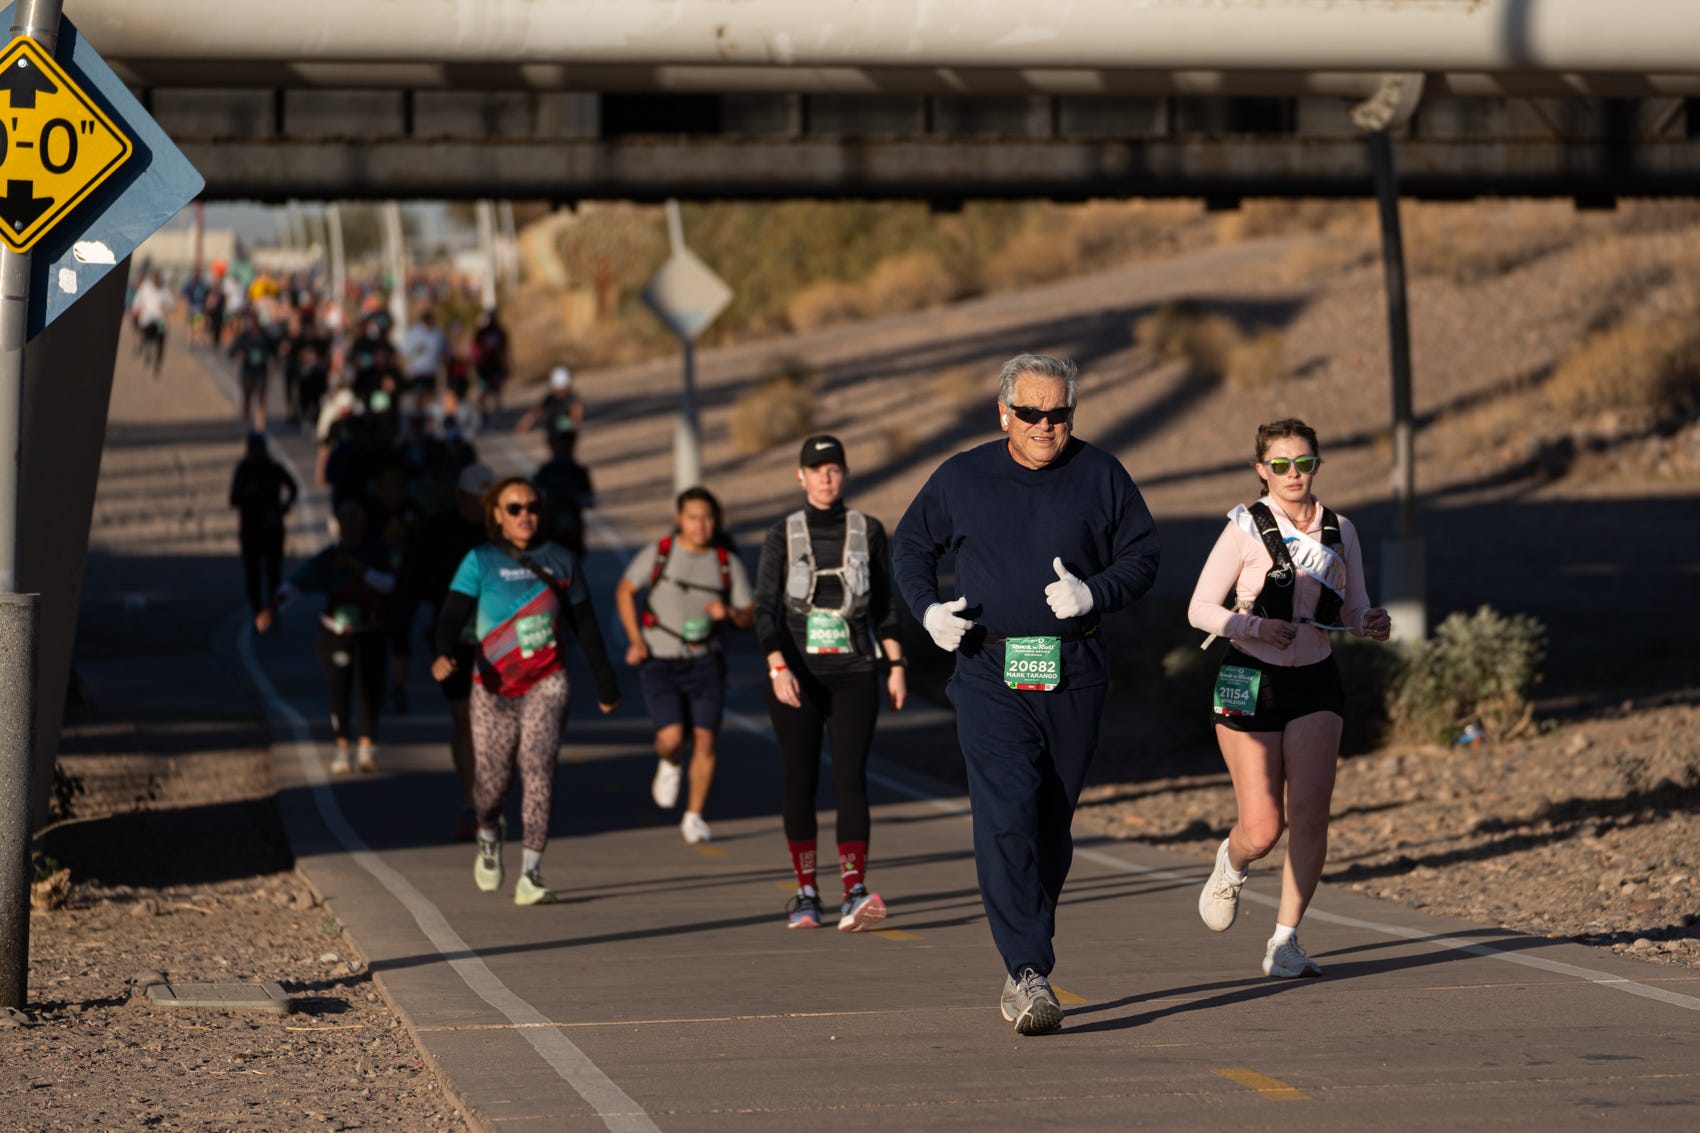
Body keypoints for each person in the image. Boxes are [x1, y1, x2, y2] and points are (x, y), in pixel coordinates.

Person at [892, 353, 1160, 1036]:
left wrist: (1093, 592)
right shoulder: (963, 475)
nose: (1046, 426)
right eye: (1032, 413)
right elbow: (911, 547)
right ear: (1004, 411)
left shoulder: (1100, 474)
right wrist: (927, 612)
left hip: (1074, 670)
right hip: (989, 669)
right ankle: (1027, 970)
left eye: (1059, 413)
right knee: (1006, 813)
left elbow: (1143, 555)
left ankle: (1026, 949)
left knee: (1049, 826)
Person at [1186, 417, 1392, 979]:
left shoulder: (1341, 531)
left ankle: (1285, 941)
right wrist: (1251, 629)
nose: (1292, 473)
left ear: (1317, 465)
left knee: (1311, 817)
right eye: (1280, 464)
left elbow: (1353, 608)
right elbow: (1200, 608)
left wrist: (1370, 621)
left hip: (1316, 677)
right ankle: (1232, 862)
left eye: (1303, 462)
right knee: (1263, 827)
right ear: (1262, 470)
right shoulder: (1244, 528)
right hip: (1250, 675)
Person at [431, 477, 621, 905]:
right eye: (514, 508)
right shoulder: (480, 560)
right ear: (496, 514)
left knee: (538, 769)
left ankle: (531, 874)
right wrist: (443, 653)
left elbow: (586, 626)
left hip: (547, 682)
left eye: (532, 507)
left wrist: (607, 682)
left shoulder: (561, 560)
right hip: (493, 687)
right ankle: (488, 831)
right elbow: (449, 617)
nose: (525, 516)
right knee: (491, 786)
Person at [754, 436, 906, 933]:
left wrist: (896, 663)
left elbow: (884, 605)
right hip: (796, 679)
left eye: (834, 469)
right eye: (816, 469)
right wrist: (777, 666)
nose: (826, 477)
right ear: (801, 476)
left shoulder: (869, 530)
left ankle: (853, 890)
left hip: (854, 674)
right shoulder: (782, 534)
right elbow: (764, 610)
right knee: (800, 782)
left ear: (845, 474)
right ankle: (805, 893)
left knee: (850, 780)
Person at [614, 487, 754, 844]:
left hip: (706, 661)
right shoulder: (661, 553)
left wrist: (731, 613)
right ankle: (670, 762)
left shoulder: (726, 562)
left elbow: (748, 615)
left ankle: (694, 816)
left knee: (706, 740)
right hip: (660, 661)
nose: (700, 525)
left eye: (707, 518)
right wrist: (636, 639)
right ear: (679, 519)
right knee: (672, 737)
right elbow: (625, 590)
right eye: (692, 517)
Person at [255, 500, 396, 775]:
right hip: (335, 633)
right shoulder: (327, 559)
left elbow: (388, 584)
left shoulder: (375, 553)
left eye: (354, 523)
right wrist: (271, 608)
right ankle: (342, 749)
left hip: (370, 632)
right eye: (345, 524)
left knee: (369, 691)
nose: (350, 530)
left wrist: (358, 568)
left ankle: (366, 749)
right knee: (338, 690)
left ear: (362, 526)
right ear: (337, 527)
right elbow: (295, 583)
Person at [411, 462, 497, 839]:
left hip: (500, 641)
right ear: (461, 497)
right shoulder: (438, 529)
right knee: (463, 719)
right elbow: (416, 578)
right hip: (455, 639)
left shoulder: (506, 530)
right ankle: (470, 804)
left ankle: (491, 798)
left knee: (495, 722)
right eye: (478, 499)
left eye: (489, 499)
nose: (484, 506)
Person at [229, 433, 299, 620]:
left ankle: (268, 613)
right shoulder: (247, 470)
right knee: (257, 575)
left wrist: (285, 505)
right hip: (255, 529)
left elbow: (293, 488)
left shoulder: (264, 469)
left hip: (267, 529)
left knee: (271, 575)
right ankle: (259, 613)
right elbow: (234, 499)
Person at [514, 366, 584, 464]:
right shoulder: (550, 398)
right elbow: (537, 411)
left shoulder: (571, 398)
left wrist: (575, 424)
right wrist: (526, 422)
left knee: (566, 457)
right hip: (553, 434)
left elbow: (576, 411)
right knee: (557, 457)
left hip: (567, 435)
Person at [228, 312, 275, 433]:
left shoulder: (265, 336)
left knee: (261, 398)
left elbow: (273, 350)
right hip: (247, 372)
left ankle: (260, 426)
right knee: (247, 399)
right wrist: (239, 356)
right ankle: (247, 423)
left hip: (261, 372)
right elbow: (232, 351)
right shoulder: (243, 336)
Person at [130, 271, 174, 376]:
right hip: (147, 319)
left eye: (157, 278)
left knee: (160, 343)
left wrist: (166, 307)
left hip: (160, 320)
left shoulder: (164, 290)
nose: (156, 281)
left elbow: (172, 304)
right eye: (154, 278)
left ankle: (157, 366)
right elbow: (137, 301)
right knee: (146, 338)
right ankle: (147, 352)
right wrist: (136, 309)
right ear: (151, 279)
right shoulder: (145, 288)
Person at [471, 308, 510, 416]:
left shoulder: (500, 331)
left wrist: (506, 363)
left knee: (498, 386)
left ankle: (498, 408)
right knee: (485, 388)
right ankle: (482, 408)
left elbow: (505, 349)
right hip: (484, 364)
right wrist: (476, 363)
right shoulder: (481, 332)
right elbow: (475, 349)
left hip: (496, 363)